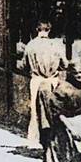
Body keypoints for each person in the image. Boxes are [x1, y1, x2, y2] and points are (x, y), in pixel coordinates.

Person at [21, 21, 66, 149]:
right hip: (52, 81)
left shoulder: (30, 45)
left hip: (37, 80)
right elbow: (64, 64)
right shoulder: (55, 45)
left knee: (35, 110)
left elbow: (24, 65)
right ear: (49, 30)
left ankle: (36, 139)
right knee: (53, 109)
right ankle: (55, 137)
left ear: (37, 29)